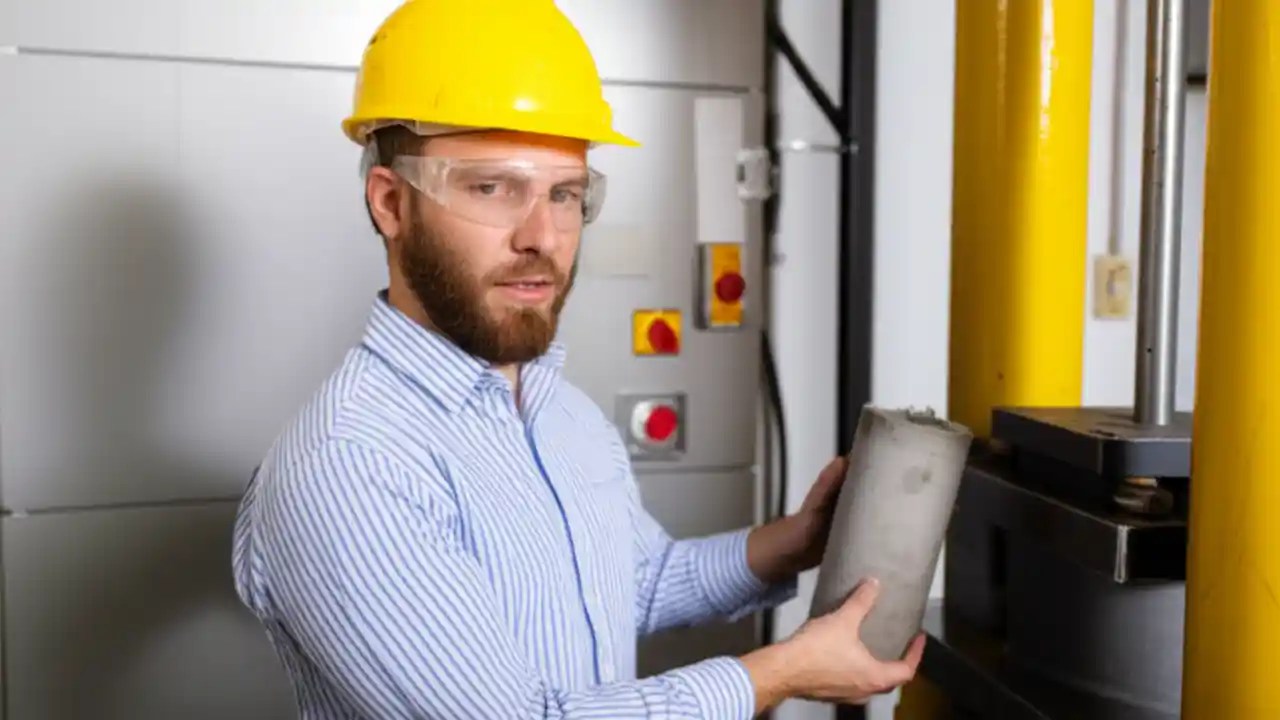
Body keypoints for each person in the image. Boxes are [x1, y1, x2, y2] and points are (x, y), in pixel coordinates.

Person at [231, 1, 924, 717]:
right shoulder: (351, 465)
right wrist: (775, 675)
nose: (543, 236)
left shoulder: (559, 410)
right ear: (391, 204)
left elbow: (638, 582)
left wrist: (794, 544)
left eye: (564, 194)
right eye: (492, 187)